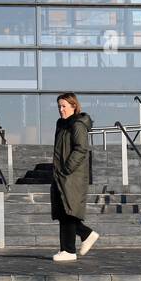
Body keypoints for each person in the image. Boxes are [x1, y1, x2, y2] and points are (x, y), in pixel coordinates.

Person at [51, 92, 98, 262]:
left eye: (64, 106)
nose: (61, 110)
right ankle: (72, 244)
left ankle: (70, 250)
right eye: (59, 106)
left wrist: (66, 168)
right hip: (62, 174)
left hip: (72, 175)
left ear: (74, 106)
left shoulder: (77, 125)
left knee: (68, 212)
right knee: (64, 212)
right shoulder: (62, 125)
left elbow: (81, 149)